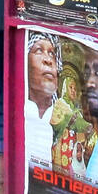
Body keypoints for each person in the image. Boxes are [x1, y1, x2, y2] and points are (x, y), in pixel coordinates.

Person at [24, 31, 60, 165]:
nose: (48, 60)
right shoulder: (20, 110)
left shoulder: (65, 117)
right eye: (39, 50)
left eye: (52, 53)